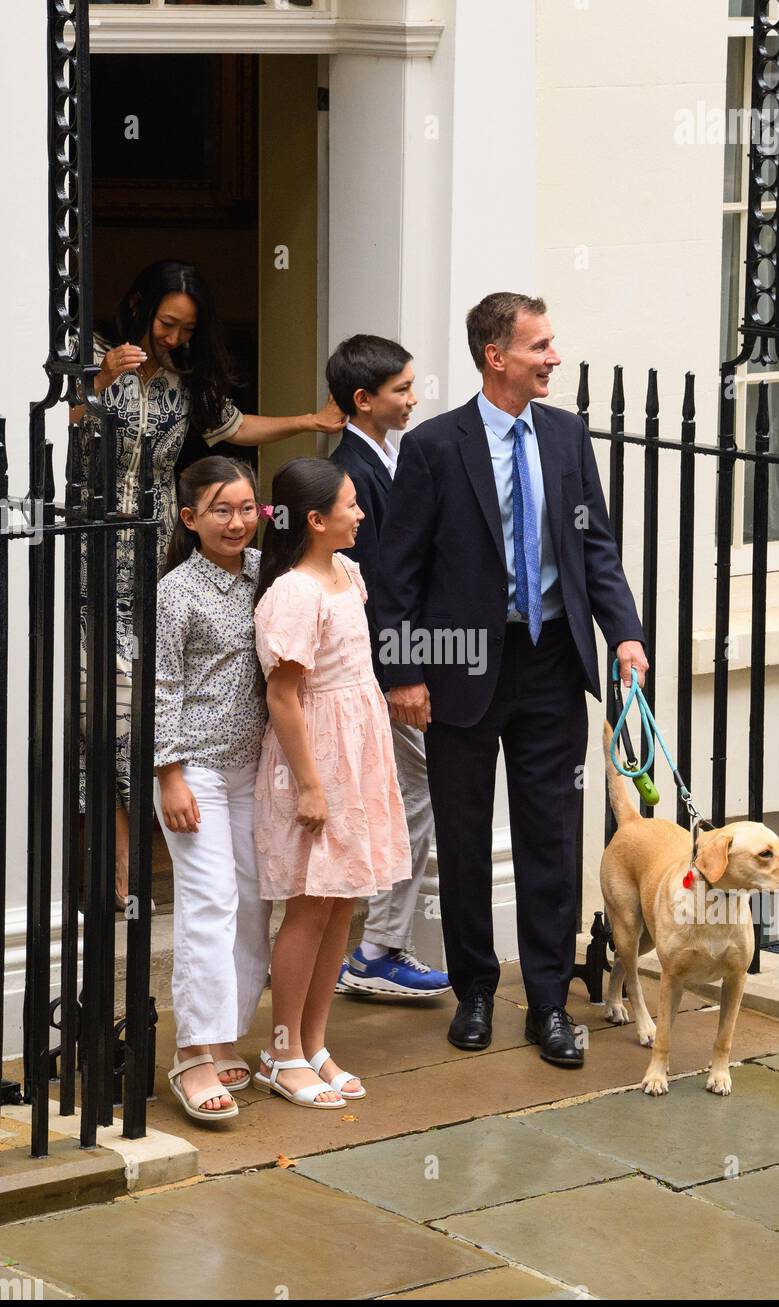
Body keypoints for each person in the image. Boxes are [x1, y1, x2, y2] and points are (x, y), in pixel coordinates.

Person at [376, 292, 649, 1066]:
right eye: (540, 347)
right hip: (461, 662)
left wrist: (623, 633)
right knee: (463, 837)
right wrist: (403, 671)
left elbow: (594, 544)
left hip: (553, 660)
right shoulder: (434, 446)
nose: (553, 358)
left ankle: (550, 1005)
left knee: (551, 836)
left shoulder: (564, 434)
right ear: (497, 357)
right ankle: (473, 993)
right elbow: (398, 574)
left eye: (552, 345)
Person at [71, 260, 346, 907]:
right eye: (168, 324)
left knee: (147, 697)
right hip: (93, 553)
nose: (174, 338)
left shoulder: (183, 382)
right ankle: (114, 861)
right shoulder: (88, 356)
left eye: (186, 329)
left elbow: (235, 428)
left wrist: (311, 421)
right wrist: (101, 380)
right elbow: (59, 429)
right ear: (139, 307)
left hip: (159, 547)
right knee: (101, 705)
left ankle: (140, 852)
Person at [252, 458, 411, 1109]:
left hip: (359, 748)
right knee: (309, 902)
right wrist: (311, 787)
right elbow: (284, 697)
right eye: (350, 505)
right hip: (314, 756)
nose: (361, 513)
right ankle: (282, 1050)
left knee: (343, 898)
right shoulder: (293, 593)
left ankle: (314, 1043)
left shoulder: (349, 573)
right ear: (315, 521)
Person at [326, 334, 449, 998]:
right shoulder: (352, 471)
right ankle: (377, 950)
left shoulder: (391, 454)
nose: (414, 398)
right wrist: (403, 673)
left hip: (396, 664)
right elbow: (380, 585)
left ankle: (380, 944)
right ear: (362, 400)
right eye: (401, 390)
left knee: (413, 797)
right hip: (380, 670)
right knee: (416, 797)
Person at [153, 455, 272, 1122]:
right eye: (221, 510)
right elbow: (161, 687)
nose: (237, 521)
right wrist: (168, 774)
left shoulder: (264, 575)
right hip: (193, 769)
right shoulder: (175, 592)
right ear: (190, 518)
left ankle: (226, 1032)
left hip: (252, 768)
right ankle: (192, 1054)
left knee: (255, 899)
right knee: (210, 903)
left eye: (247, 507)